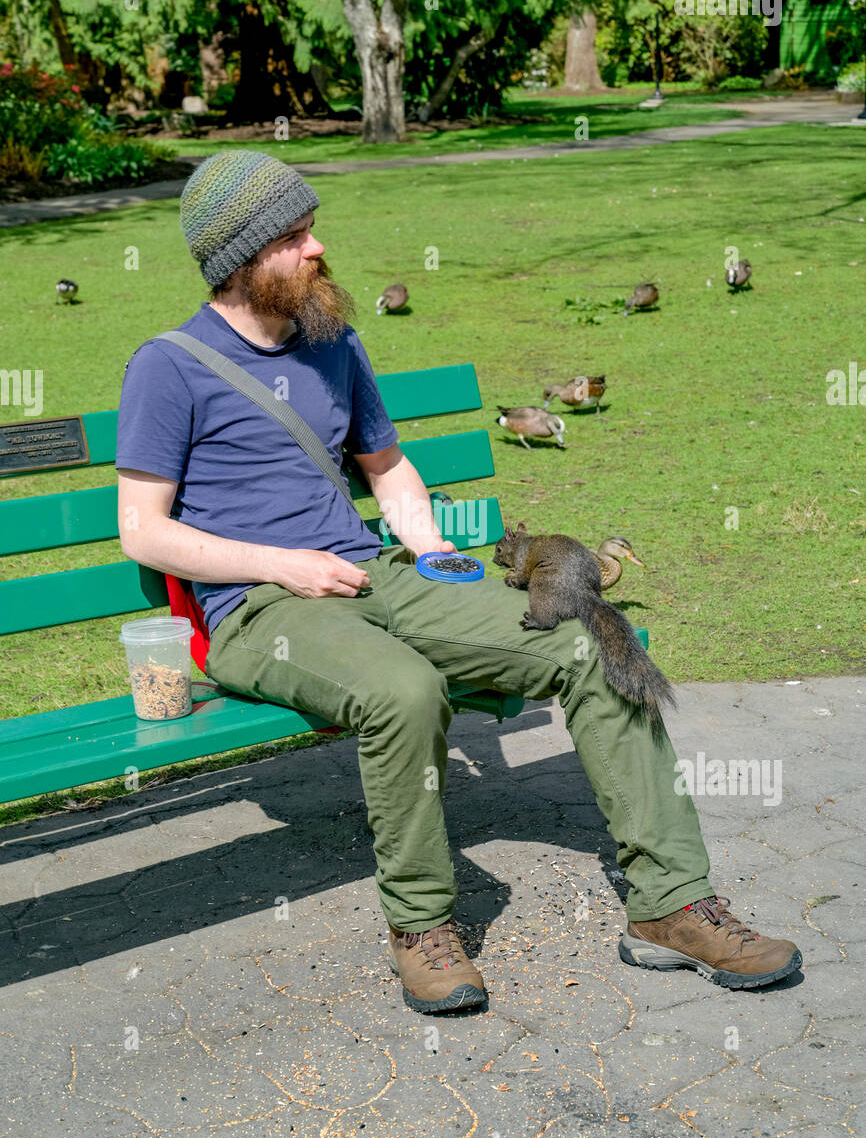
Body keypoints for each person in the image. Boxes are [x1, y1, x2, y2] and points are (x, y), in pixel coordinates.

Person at [116, 149, 802, 1015]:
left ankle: (671, 905)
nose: (318, 246)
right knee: (403, 691)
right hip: (257, 607)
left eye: (311, 226)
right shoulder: (168, 367)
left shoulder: (334, 341)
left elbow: (389, 471)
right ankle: (422, 928)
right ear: (238, 260)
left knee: (589, 635)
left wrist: (435, 554)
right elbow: (143, 530)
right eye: (293, 238)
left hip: (374, 575)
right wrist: (277, 563)